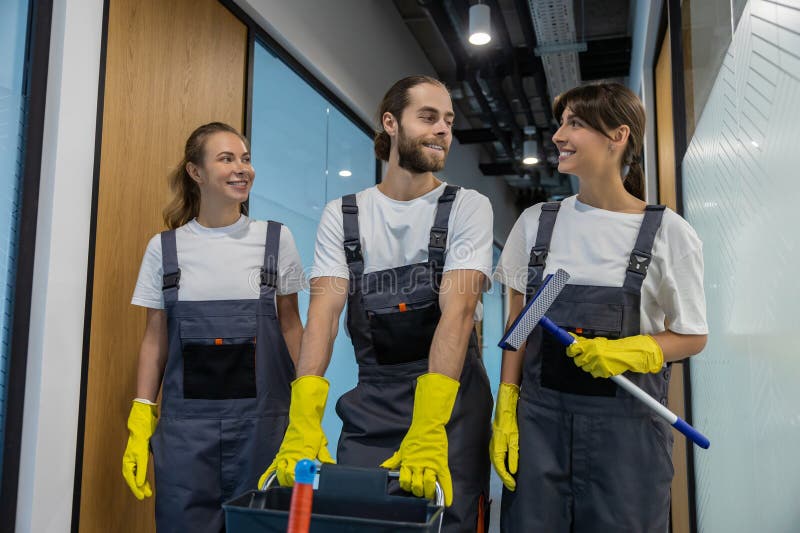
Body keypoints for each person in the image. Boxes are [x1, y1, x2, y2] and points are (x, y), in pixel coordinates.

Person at [260, 75, 494, 532]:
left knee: (450, 524)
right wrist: (303, 416)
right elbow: (324, 317)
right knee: (360, 520)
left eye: (448, 120)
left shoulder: (466, 206)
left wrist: (429, 427)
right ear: (390, 123)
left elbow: (458, 312)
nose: (443, 129)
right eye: (428, 117)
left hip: (451, 406)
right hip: (373, 403)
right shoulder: (343, 215)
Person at [491, 83, 708, 532]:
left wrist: (627, 352)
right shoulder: (537, 225)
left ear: (618, 136)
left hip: (627, 446)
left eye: (575, 123)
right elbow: (521, 325)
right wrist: (506, 406)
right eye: (560, 123)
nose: (557, 136)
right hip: (540, 431)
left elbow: (693, 335)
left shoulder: (668, 233)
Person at [121, 122, 306, 532]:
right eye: (227, 158)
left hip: (266, 431)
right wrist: (141, 411)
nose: (242, 168)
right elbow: (155, 339)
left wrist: (308, 410)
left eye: (245, 158)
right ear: (196, 172)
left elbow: (291, 326)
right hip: (186, 440)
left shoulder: (275, 240)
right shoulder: (165, 249)